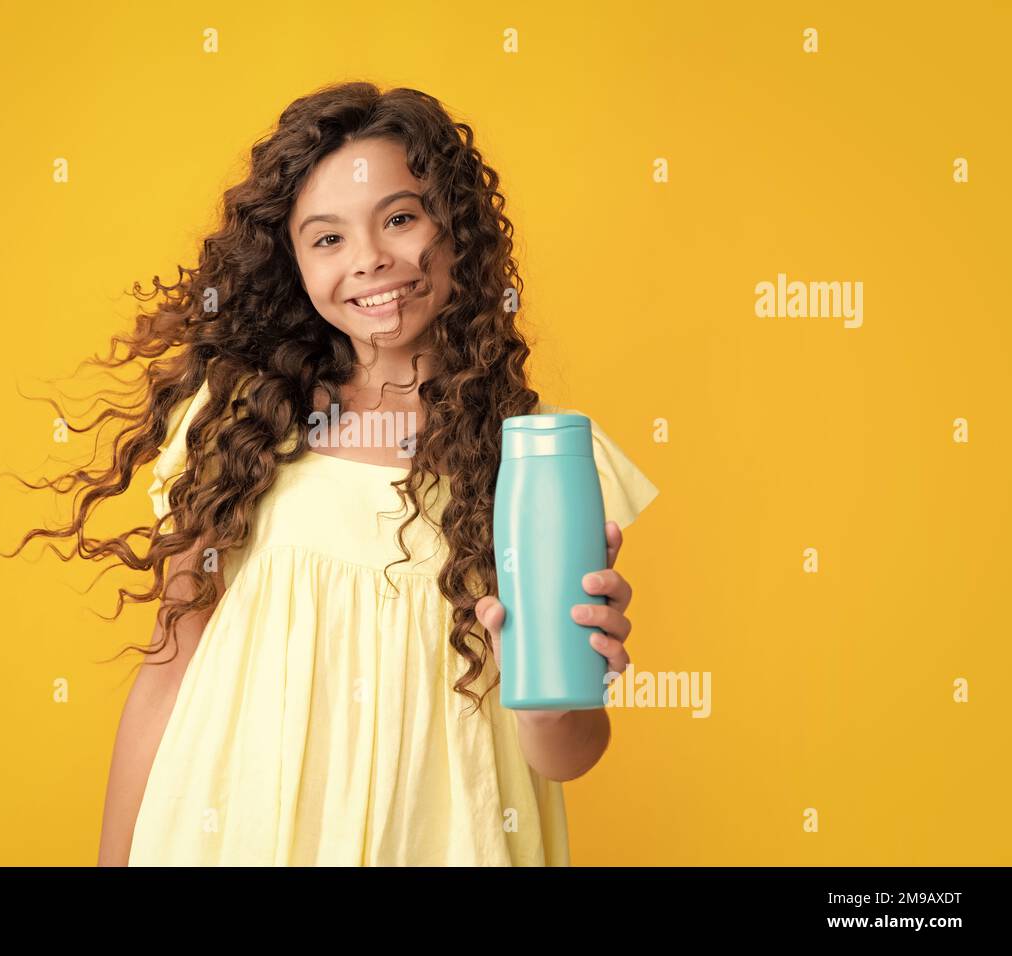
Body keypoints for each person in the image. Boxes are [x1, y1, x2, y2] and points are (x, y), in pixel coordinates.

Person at [59, 82, 657, 865]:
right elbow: (167, 677)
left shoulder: (539, 459)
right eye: (328, 238)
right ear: (294, 264)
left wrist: (549, 691)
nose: (372, 259)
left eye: (400, 218)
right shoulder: (238, 425)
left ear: (455, 230)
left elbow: (566, 755)